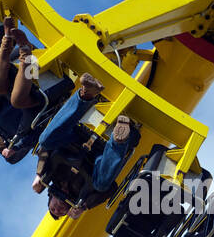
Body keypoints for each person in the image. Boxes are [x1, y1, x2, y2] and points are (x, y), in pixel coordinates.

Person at [32, 74, 140, 219]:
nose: (57, 209)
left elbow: (43, 151)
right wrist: (86, 206)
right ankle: (120, 138)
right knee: (101, 184)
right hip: (101, 154)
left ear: (50, 199)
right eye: (61, 212)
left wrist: (39, 175)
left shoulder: (49, 175)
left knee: (45, 140)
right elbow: (111, 188)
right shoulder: (84, 198)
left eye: (53, 209)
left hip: (76, 137)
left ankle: (86, 94)